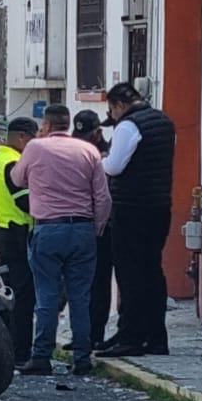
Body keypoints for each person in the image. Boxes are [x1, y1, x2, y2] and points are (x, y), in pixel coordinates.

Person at [12, 105, 110, 376]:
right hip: (82, 229)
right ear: (67, 125)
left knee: (46, 297)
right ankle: (82, 357)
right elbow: (102, 197)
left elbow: (17, 179)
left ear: (46, 125)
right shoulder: (89, 151)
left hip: (48, 229)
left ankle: (41, 357)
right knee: (80, 296)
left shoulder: (36, 148)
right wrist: (97, 228)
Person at [100, 83, 177, 358]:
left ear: (119, 104)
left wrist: (101, 160)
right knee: (152, 272)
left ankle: (130, 336)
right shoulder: (164, 121)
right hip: (159, 205)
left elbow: (115, 166)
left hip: (131, 207)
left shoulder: (128, 126)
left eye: (112, 110)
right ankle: (155, 338)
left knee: (130, 274)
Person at [0, 118, 37, 365]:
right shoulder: (13, 163)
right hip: (20, 231)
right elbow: (24, 201)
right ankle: (21, 350)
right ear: (23, 137)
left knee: (10, 293)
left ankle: (9, 347)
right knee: (25, 295)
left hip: (2, 230)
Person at [74, 110, 117, 348]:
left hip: (103, 226)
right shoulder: (81, 152)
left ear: (98, 132)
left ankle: (95, 334)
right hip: (83, 223)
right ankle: (81, 334)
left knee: (99, 281)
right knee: (81, 282)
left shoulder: (108, 155)